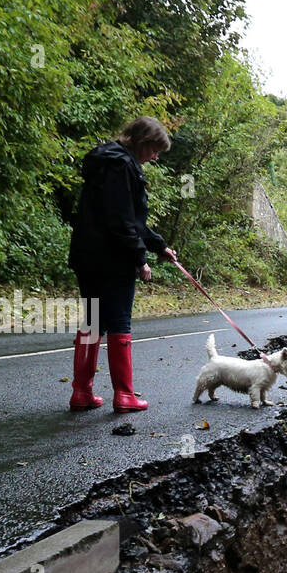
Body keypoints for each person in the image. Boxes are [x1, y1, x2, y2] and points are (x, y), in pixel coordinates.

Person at [67, 116, 177, 412]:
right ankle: (125, 396)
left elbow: (129, 218)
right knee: (119, 323)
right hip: (113, 260)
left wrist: (158, 245)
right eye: (154, 150)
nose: (155, 157)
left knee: (92, 322)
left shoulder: (104, 161)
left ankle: (81, 393)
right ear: (143, 143)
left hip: (87, 256)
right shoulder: (123, 166)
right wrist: (140, 259)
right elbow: (123, 221)